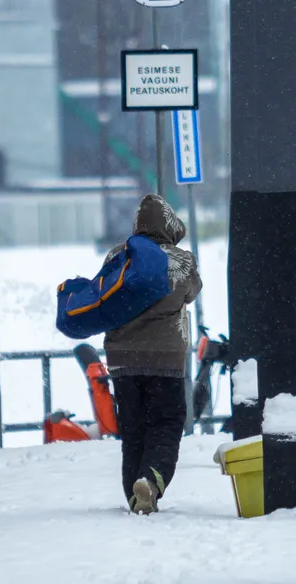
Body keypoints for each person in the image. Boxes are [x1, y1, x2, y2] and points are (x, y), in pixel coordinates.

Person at [103, 193, 202, 515]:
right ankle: (150, 480)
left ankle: (136, 497)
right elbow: (193, 291)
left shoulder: (118, 255)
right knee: (166, 424)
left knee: (133, 430)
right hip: (165, 358)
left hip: (122, 359)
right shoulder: (180, 260)